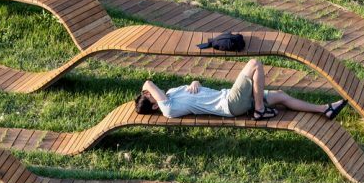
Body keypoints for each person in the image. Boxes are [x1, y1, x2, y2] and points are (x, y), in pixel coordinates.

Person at [137, 58, 348, 122]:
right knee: (254, 64)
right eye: (150, 95)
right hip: (230, 104)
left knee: (281, 95)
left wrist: (195, 82)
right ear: (155, 102)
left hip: (231, 97)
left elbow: (195, 89)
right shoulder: (167, 109)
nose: (151, 90)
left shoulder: (172, 93)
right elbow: (148, 82)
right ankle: (259, 110)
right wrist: (146, 87)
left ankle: (324, 110)